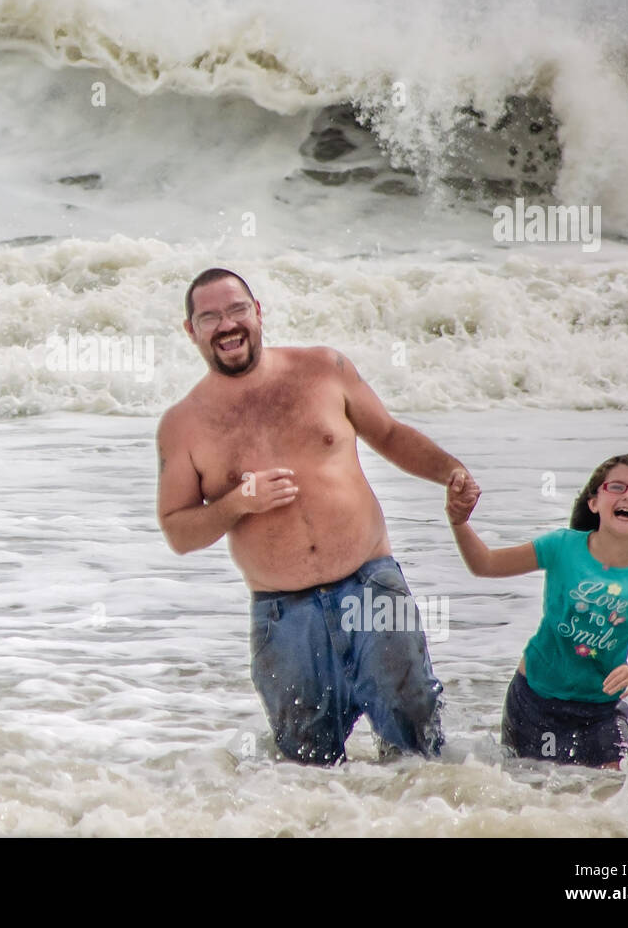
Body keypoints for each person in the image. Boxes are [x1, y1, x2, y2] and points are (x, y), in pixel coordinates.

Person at [155, 267, 480, 764]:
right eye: (210, 317)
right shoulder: (183, 424)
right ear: (190, 330)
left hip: (371, 587)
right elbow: (178, 530)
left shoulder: (324, 368)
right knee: (308, 771)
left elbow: (389, 434)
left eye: (237, 309)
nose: (227, 324)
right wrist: (238, 502)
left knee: (419, 753)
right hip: (283, 615)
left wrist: (450, 471)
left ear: (257, 312)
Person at [445, 452, 628, 769]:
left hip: (600, 711)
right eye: (617, 487)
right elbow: (485, 564)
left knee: (619, 782)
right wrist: (459, 522)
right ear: (594, 502)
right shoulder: (562, 546)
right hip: (535, 701)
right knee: (532, 786)